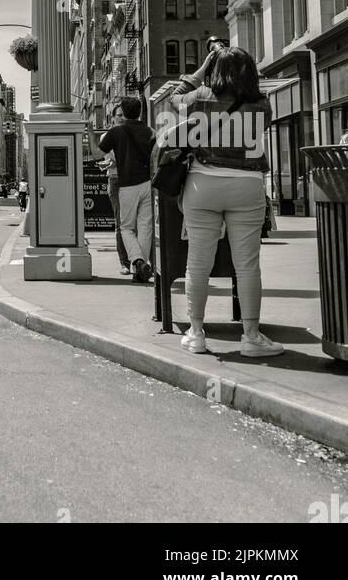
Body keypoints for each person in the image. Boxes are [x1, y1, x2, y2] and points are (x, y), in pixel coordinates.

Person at [169, 46, 283, 358]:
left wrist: (202, 68)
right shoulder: (261, 104)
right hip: (246, 185)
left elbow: (175, 99)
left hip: (202, 184)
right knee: (247, 265)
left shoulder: (201, 97)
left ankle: (196, 333)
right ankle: (251, 336)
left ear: (214, 69)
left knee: (198, 262)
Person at [97, 97, 155, 283]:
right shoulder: (150, 131)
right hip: (148, 183)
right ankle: (142, 268)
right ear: (139, 112)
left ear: (124, 111)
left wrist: (90, 133)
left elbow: (98, 151)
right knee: (145, 227)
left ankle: (137, 261)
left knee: (126, 227)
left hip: (128, 184)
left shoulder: (116, 131)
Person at [99, 105, 131, 276]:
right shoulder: (107, 136)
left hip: (134, 180)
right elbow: (110, 159)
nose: (122, 118)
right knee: (121, 223)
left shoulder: (133, 133)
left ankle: (138, 260)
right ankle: (125, 263)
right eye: (119, 115)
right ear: (112, 118)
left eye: (124, 115)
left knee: (138, 223)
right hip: (116, 180)